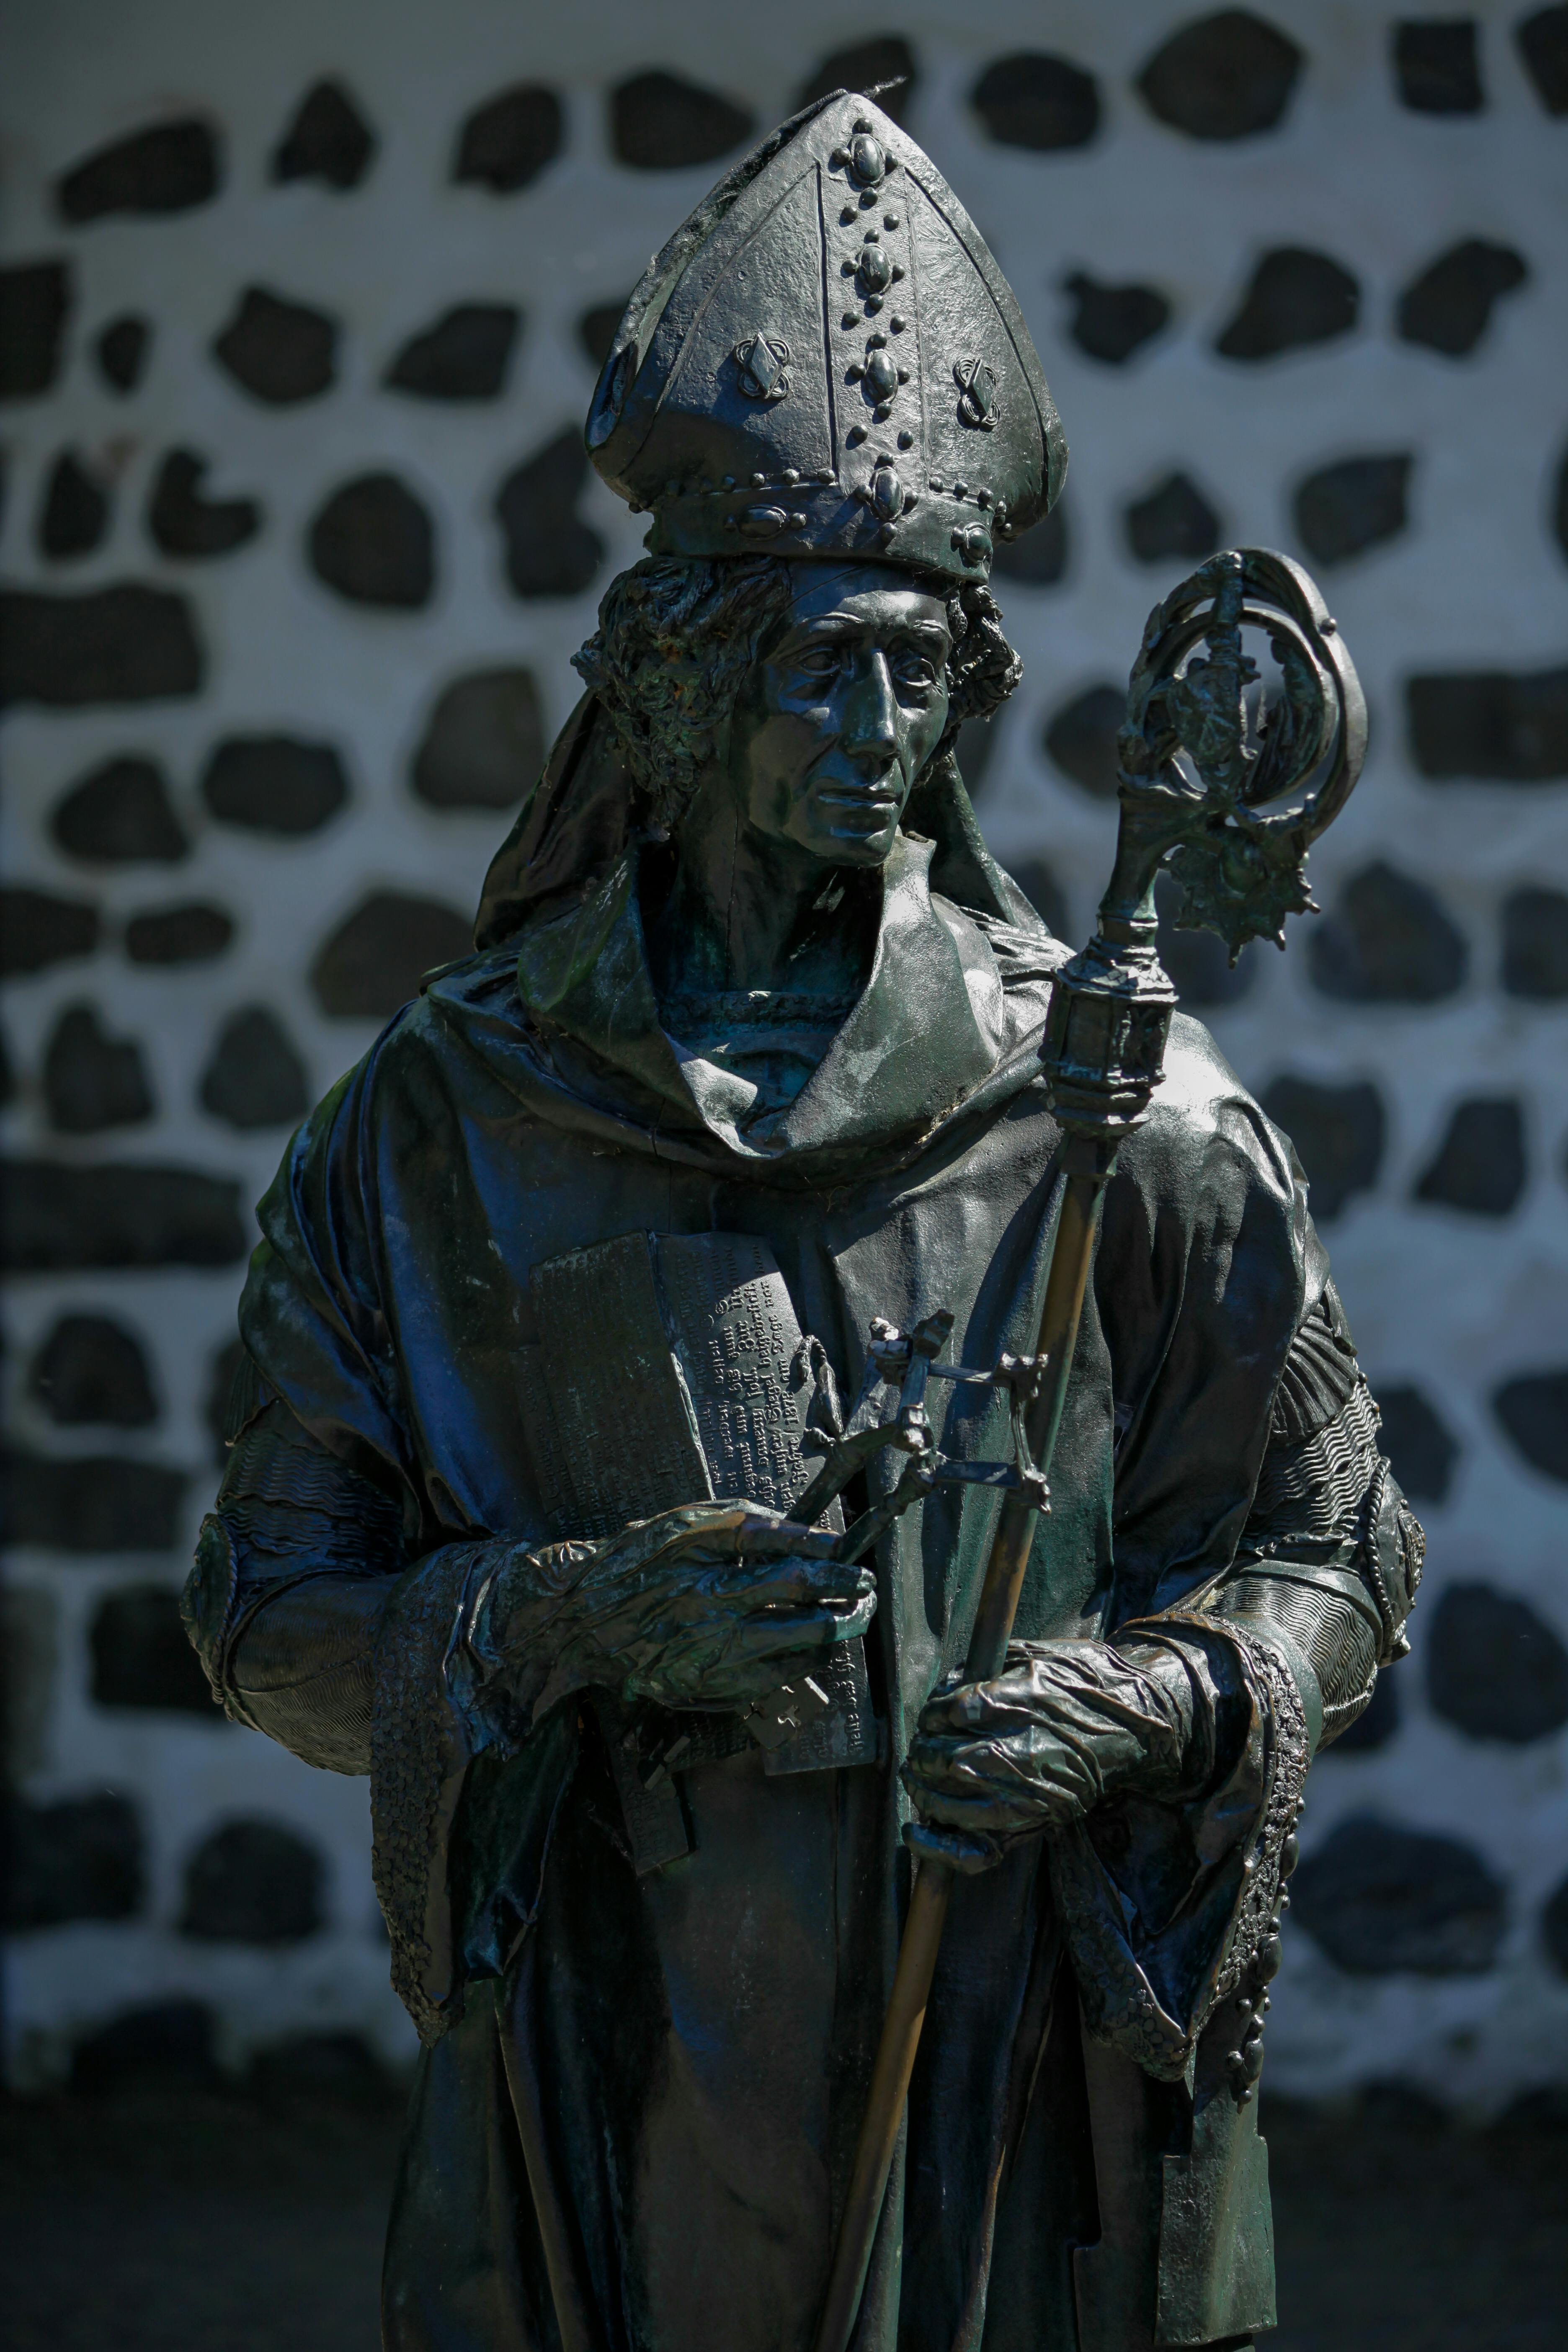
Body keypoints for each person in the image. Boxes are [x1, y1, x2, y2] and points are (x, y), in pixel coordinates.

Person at [183, 89, 1421, 2352]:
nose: (880, 721)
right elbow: (266, 1611)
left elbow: (1337, 1557)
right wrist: (561, 1630)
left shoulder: (1121, 1119)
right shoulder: (441, 1125)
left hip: (1005, 2073)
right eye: (821, 656)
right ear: (673, 675)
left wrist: (1158, 1696)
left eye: (925, 663)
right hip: (616, 2087)